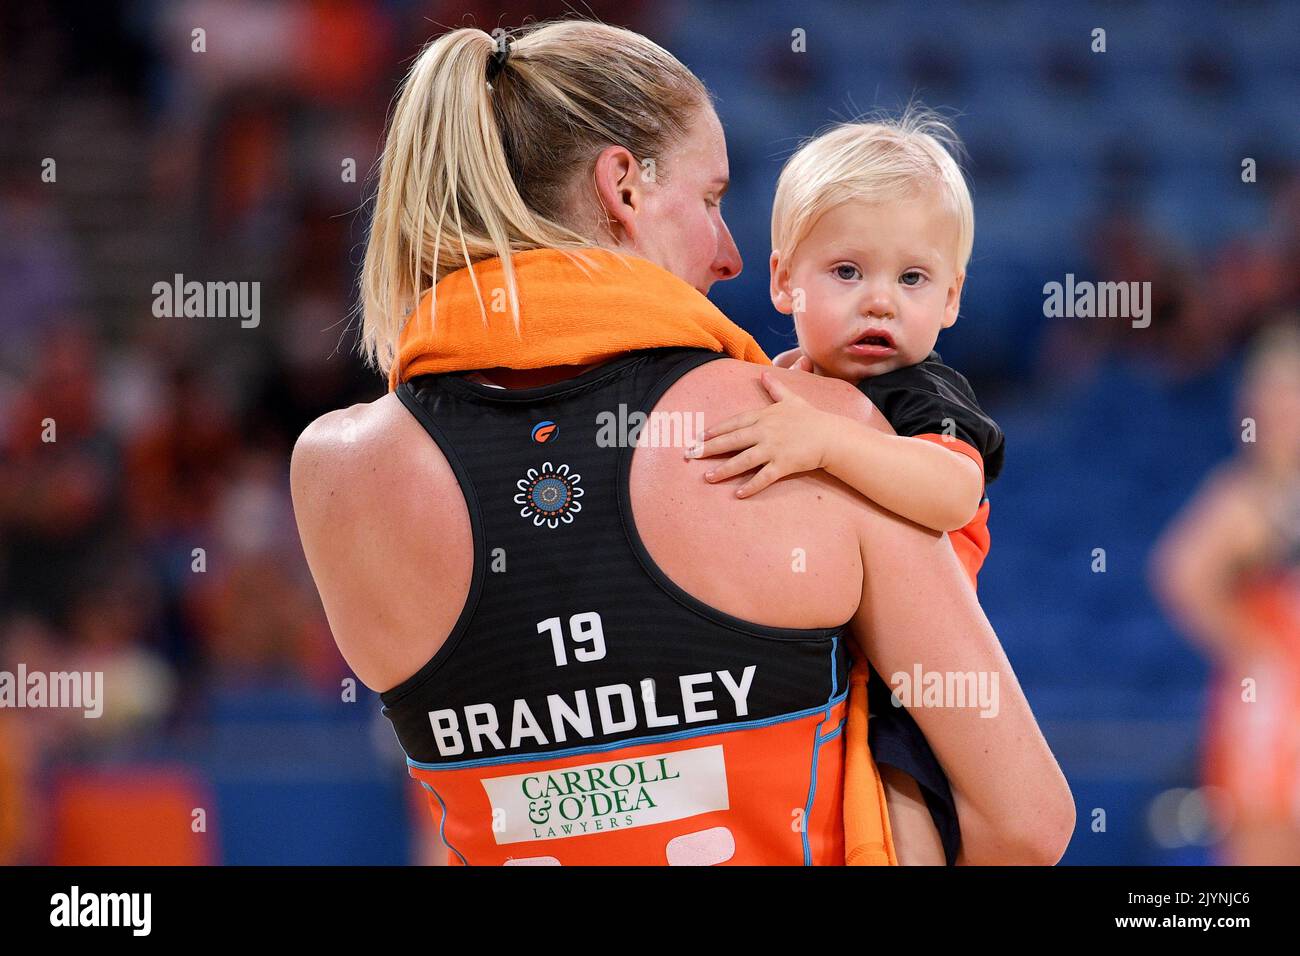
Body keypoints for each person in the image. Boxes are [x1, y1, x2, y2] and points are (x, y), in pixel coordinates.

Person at [290, 20, 1073, 866]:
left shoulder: (335, 473)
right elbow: (1026, 824)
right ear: (624, 187)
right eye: (710, 200)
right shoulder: (811, 420)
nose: (733, 255)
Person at [687, 115, 1001, 863]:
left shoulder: (924, 391)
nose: (881, 301)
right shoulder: (780, 383)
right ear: (783, 280)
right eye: (848, 272)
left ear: (952, 298)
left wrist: (828, 440)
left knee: (900, 799)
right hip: (813, 658)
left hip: (915, 666)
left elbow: (954, 490)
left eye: (913, 278)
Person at [1152, 321, 1300, 865]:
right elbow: (1178, 572)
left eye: (1289, 393)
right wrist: (1255, 647)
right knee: (1262, 840)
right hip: (1273, 703)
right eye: (1268, 394)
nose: (1277, 409)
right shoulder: (1244, 494)